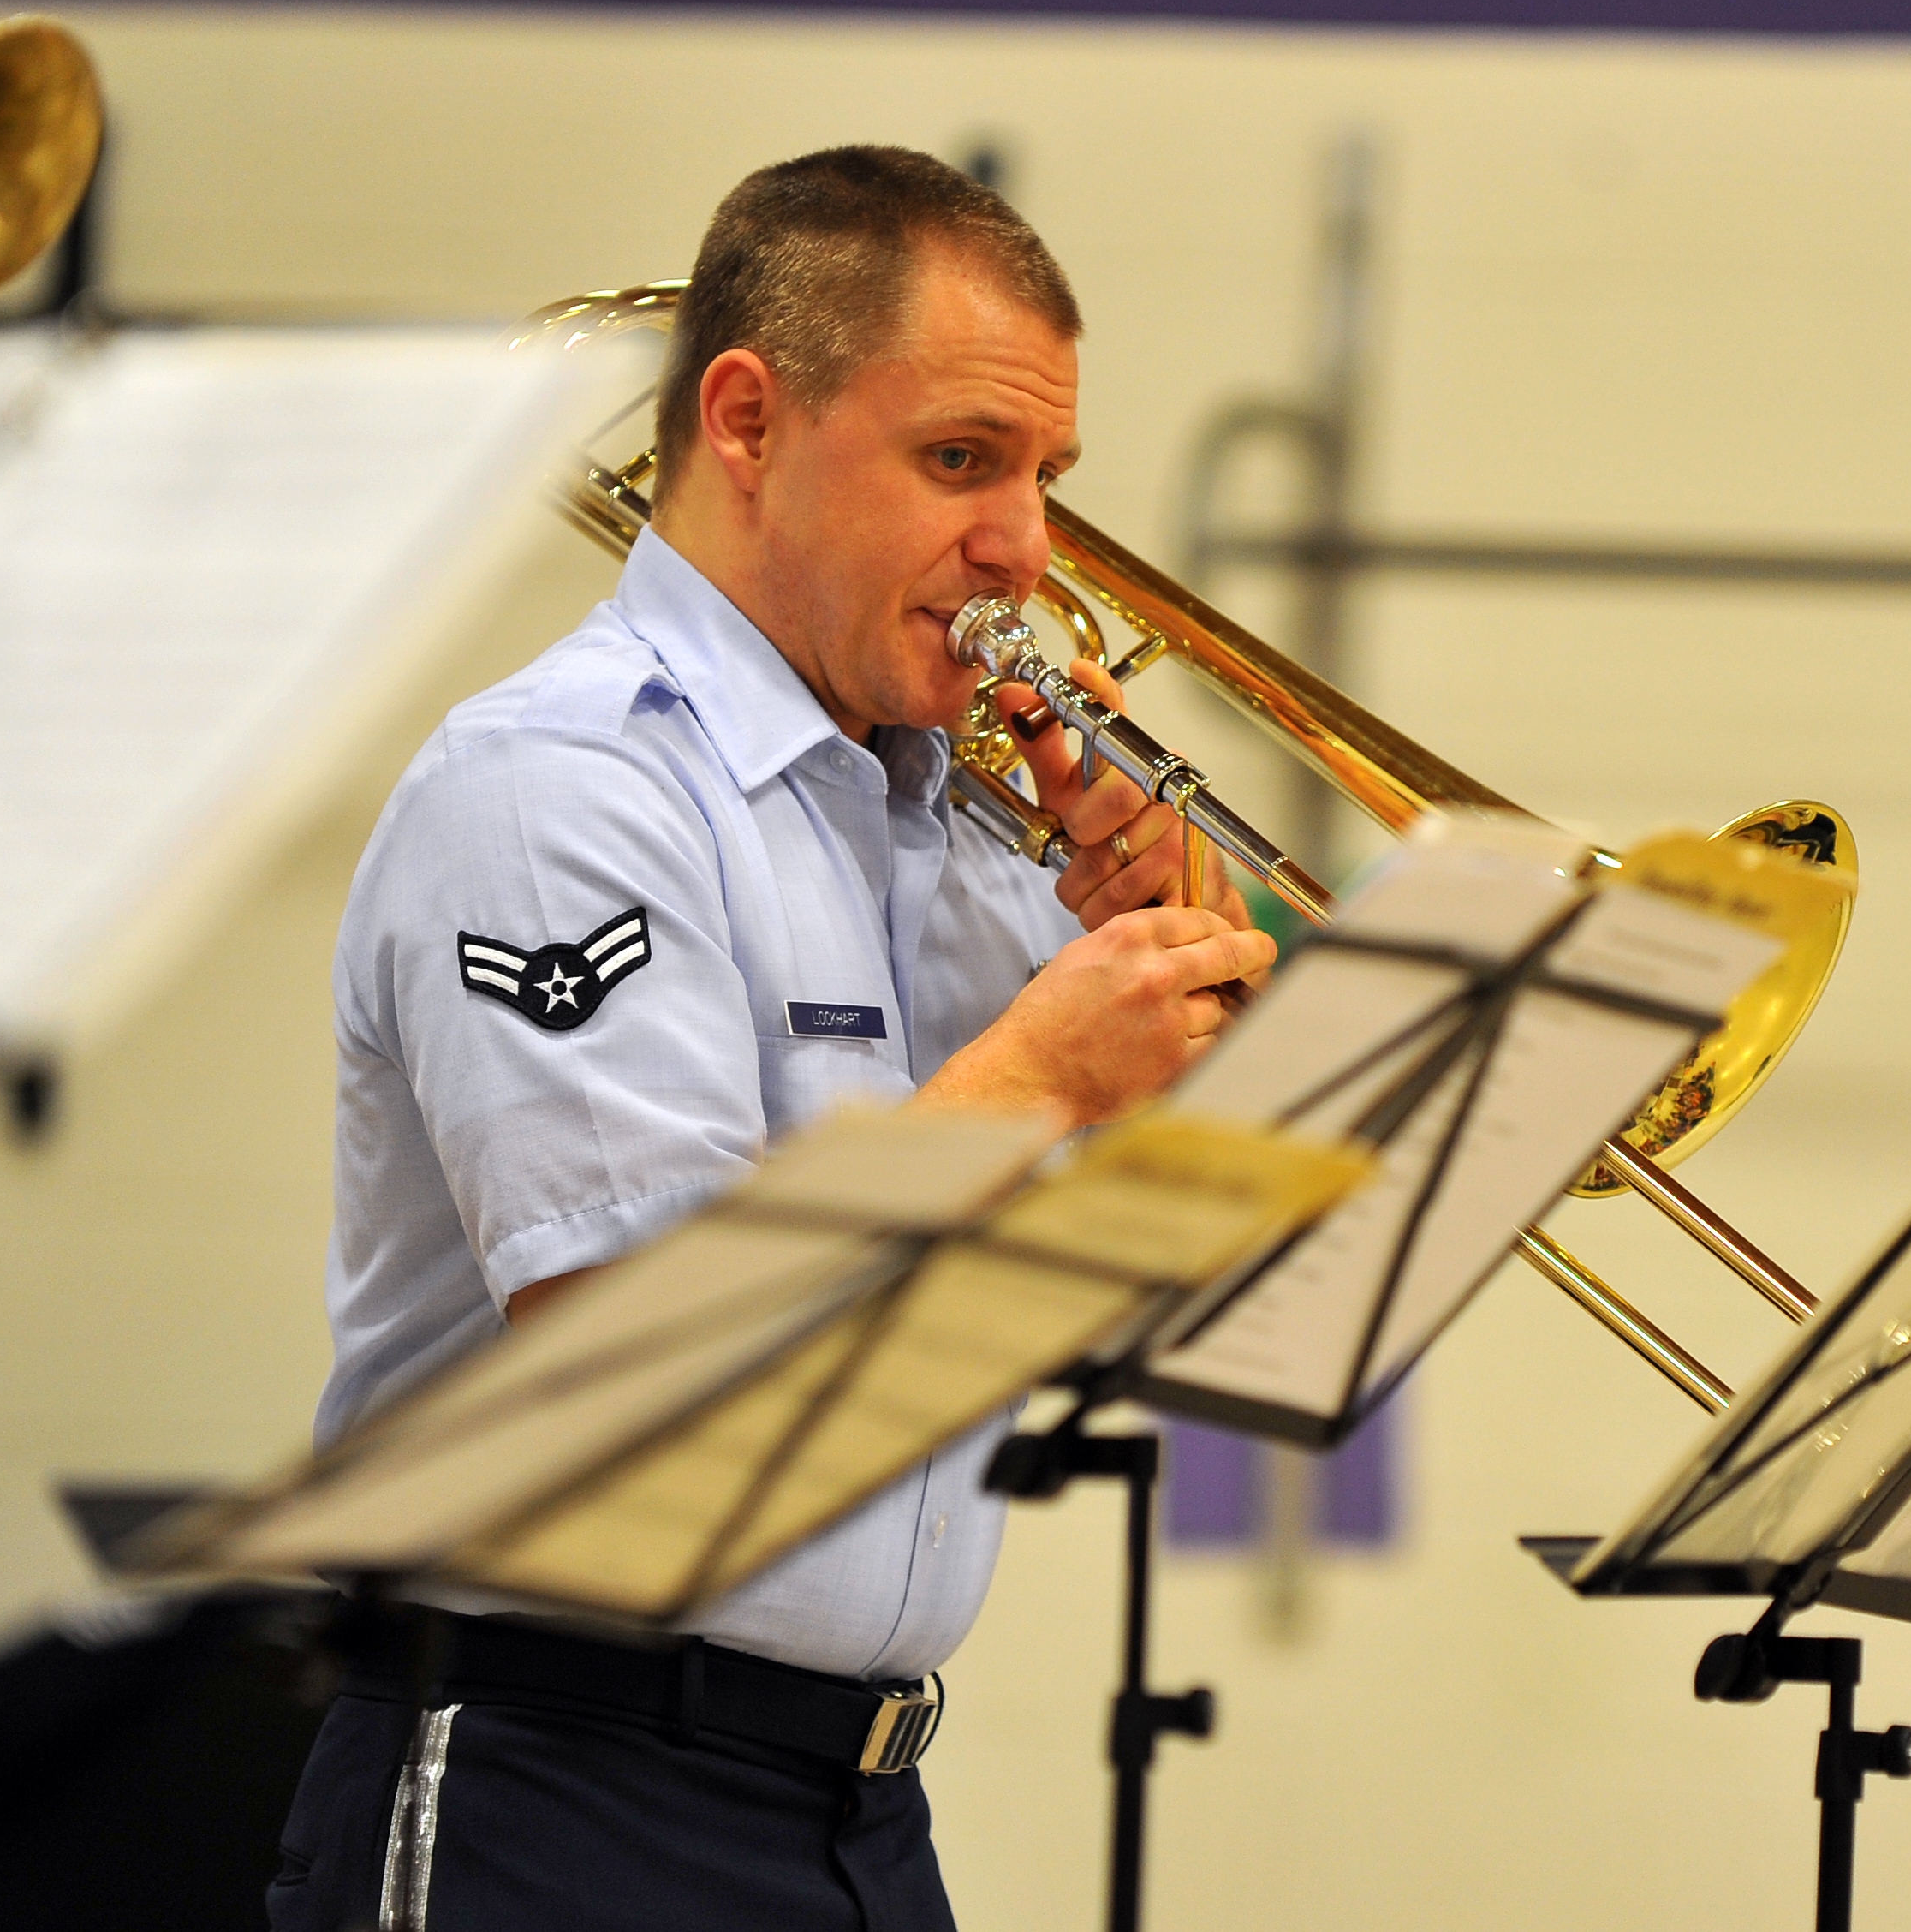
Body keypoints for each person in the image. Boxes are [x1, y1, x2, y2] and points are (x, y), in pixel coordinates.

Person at [267, 146, 1275, 1932]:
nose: (1027, 551)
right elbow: (635, 1358)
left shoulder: (942, 822)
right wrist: (1040, 1070)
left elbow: (1060, 1305)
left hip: (855, 1807)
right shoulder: (559, 786)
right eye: (959, 460)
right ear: (743, 420)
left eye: (1043, 477)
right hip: (552, 1782)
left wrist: (1131, 994)